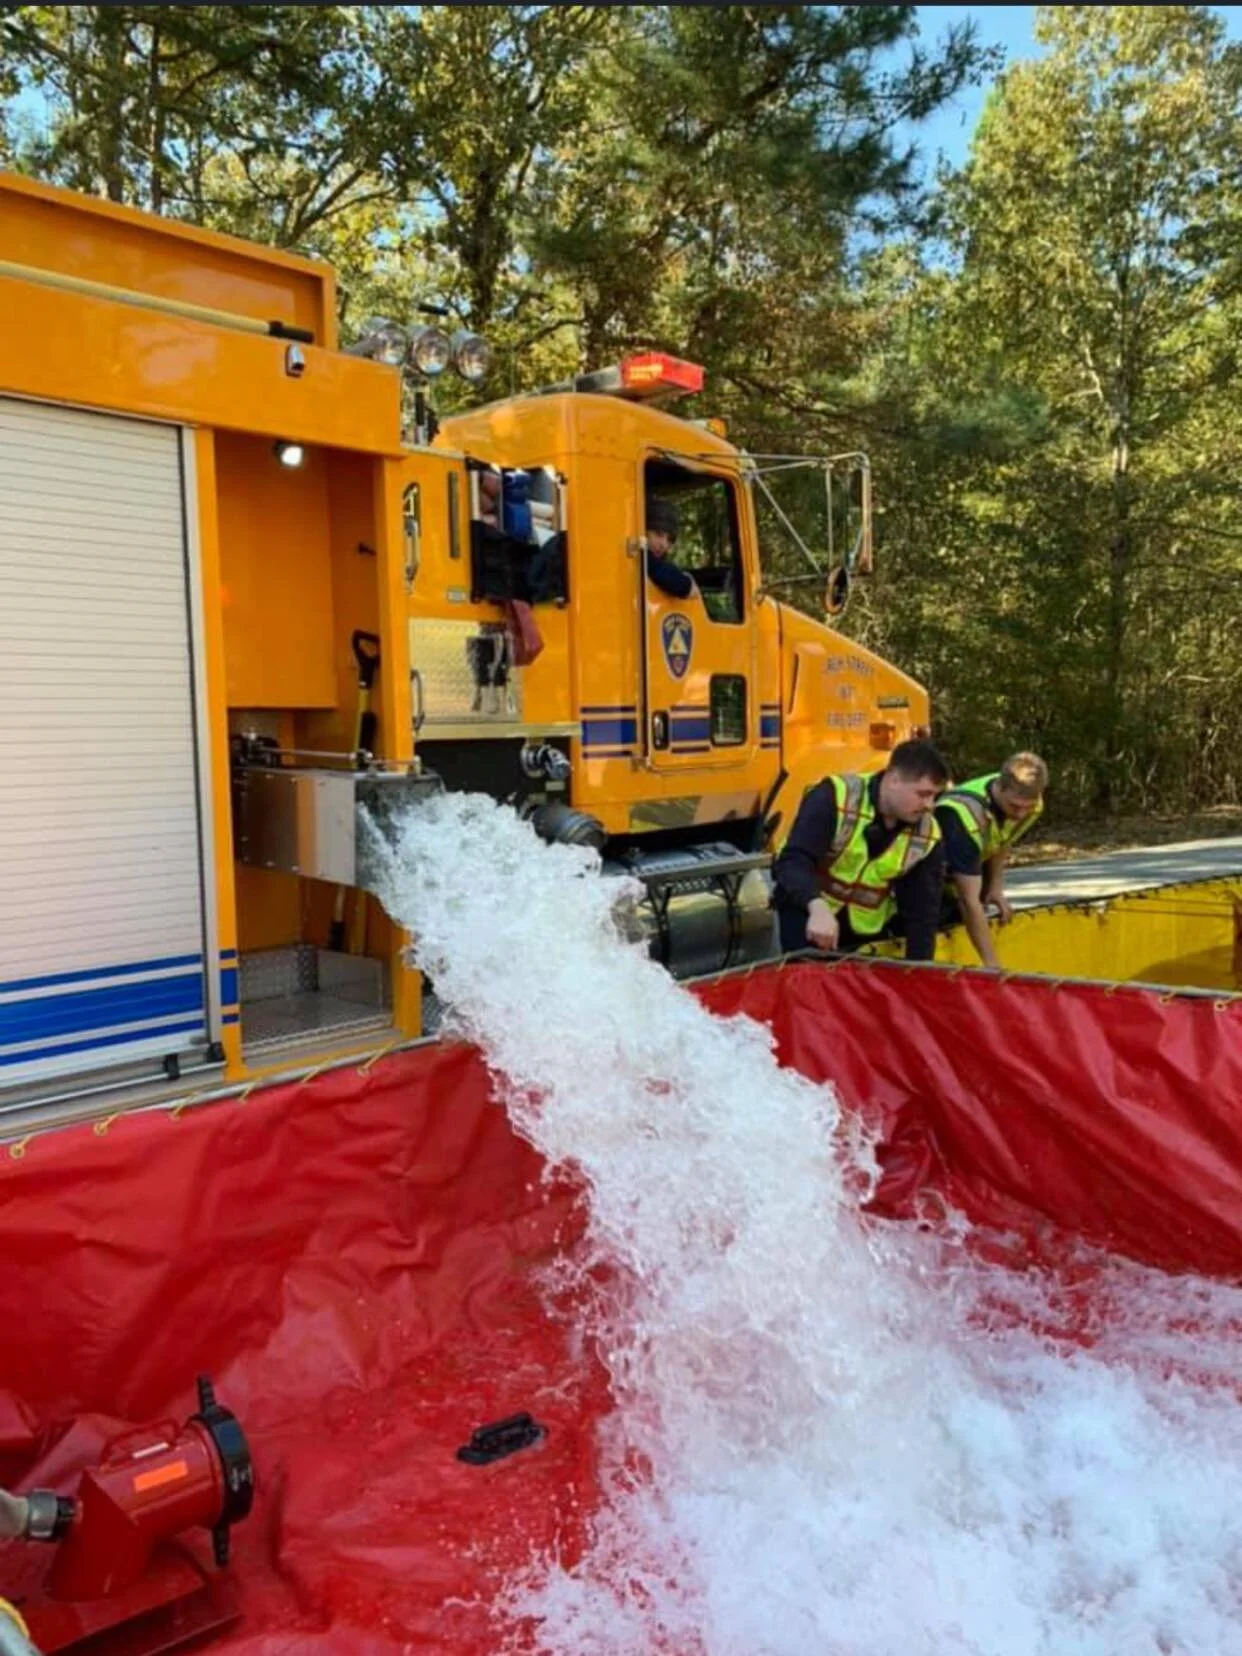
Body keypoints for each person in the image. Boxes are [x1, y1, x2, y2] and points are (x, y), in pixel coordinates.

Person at [772, 739, 950, 961]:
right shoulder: (836, 796)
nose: (929, 805)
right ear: (893, 779)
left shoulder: (928, 834)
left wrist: (919, 975)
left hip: (863, 932)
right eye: (923, 794)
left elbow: (922, 915)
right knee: (807, 983)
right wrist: (816, 908)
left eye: (935, 796)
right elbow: (793, 861)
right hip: (807, 910)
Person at [936, 752, 1048, 969]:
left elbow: (1002, 838)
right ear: (1000, 786)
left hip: (968, 864)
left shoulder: (1030, 804)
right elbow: (968, 902)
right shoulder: (961, 815)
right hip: (925, 879)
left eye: (1028, 807)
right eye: (1015, 806)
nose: (1021, 814)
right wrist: (992, 964)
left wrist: (995, 888)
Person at [644, 496, 696, 599]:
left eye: (669, 540)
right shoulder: (644, 560)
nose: (664, 544)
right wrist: (689, 584)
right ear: (643, 531)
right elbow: (688, 589)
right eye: (659, 534)